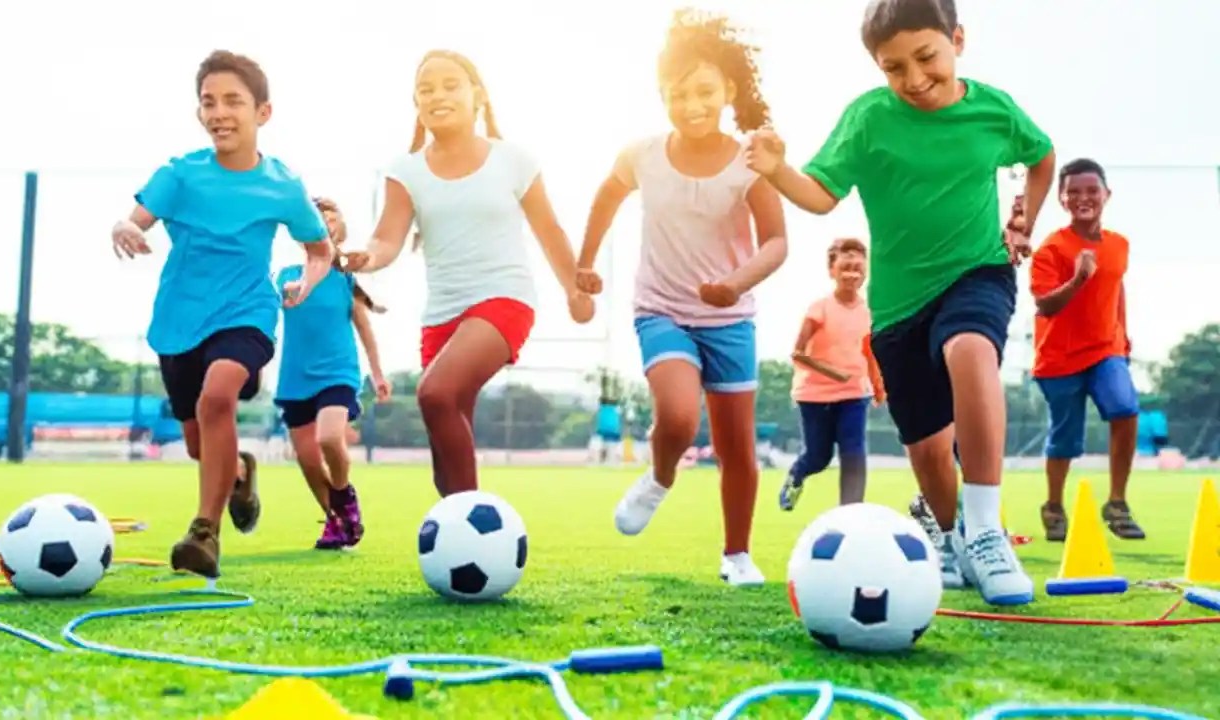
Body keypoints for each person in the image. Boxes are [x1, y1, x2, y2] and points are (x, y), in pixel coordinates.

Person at [745, 0, 1056, 604]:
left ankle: (987, 532)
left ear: (957, 40)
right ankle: (949, 534)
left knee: (971, 350)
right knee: (930, 452)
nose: (913, 79)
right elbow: (819, 195)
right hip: (897, 308)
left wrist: (1024, 220)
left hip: (977, 273)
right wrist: (778, 170)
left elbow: (1041, 157)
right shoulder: (868, 118)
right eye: (893, 68)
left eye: (926, 58)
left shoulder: (994, 111)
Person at [576, 9, 788, 587]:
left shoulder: (750, 163)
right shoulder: (642, 154)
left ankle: (737, 554)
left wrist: (735, 284)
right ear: (661, 95)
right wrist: (585, 263)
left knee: (736, 447)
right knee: (676, 414)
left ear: (728, 91)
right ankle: (661, 476)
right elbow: (605, 198)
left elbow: (776, 242)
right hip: (662, 309)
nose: (691, 104)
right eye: (677, 94)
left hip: (730, 319)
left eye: (703, 92)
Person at [111, 50, 333, 578]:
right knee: (197, 444)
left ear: (263, 112)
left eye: (233, 100)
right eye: (209, 102)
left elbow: (319, 249)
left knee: (218, 396)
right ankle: (237, 473)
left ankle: (204, 533)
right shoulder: (180, 175)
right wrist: (127, 228)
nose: (219, 112)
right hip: (179, 322)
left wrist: (306, 280)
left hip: (247, 314)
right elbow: (136, 219)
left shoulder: (283, 185)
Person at [343, 49, 593, 497]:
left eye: (450, 85)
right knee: (445, 451)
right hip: (441, 315)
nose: (438, 95)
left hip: (505, 299)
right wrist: (367, 255)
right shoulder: (406, 171)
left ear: (478, 94)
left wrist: (574, 289)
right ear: (415, 103)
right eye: (426, 89)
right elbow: (387, 238)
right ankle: (463, 546)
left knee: (433, 393)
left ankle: (477, 519)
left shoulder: (513, 160)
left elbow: (548, 229)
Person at [1029, 158, 1145, 542]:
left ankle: (1117, 503)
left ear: (1106, 195)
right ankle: (1053, 506)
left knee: (1125, 407)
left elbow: (1116, 290)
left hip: (1106, 350)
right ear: (1062, 200)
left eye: (1092, 190)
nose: (1084, 198)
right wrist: (1078, 279)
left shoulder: (1119, 245)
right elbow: (1045, 304)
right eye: (1074, 192)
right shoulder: (1052, 249)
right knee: (1066, 438)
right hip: (1059, 359)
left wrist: (1123, 339)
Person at [274, 197, 392, 550]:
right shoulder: (285, 277)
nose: (323, 227)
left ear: (338, 230)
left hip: (337, 373)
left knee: (329, 439)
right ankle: (336, 522)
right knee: (308, 460)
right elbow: (269, 307)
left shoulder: (345, 280)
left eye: (330, 221)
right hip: (294, 378)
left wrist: (377, 373)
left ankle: (343, 499)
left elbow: (364, 328)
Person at [781, 238, 886, 512]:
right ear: (832, 271)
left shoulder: (870, 312)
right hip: (814, 395)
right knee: (818, 456)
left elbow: (870, 353)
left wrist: (878, 385)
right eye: (845, 267)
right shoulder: (820, 309)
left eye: (858, 268)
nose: (852, 273)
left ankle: (851, 513)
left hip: (854, 395)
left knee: (854, 451)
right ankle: (796, 476)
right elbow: (797, 353)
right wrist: (831, 372)